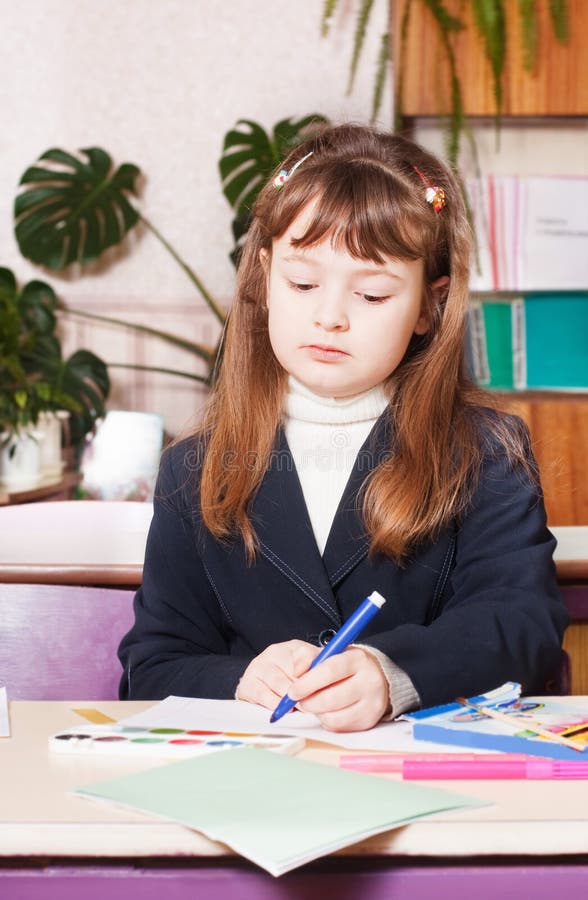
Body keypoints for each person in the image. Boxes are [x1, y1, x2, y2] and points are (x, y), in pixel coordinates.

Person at [118, 123, 568, 732]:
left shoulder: (488, 452)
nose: (329, 317)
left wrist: (393, 673)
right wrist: (240, 680)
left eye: (374, 296)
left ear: (430, 307)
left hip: (425, 781)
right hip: (252, 783)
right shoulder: (191, 468)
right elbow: (152, 664)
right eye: (303, 284)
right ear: (263, 279)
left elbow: (522, 627)